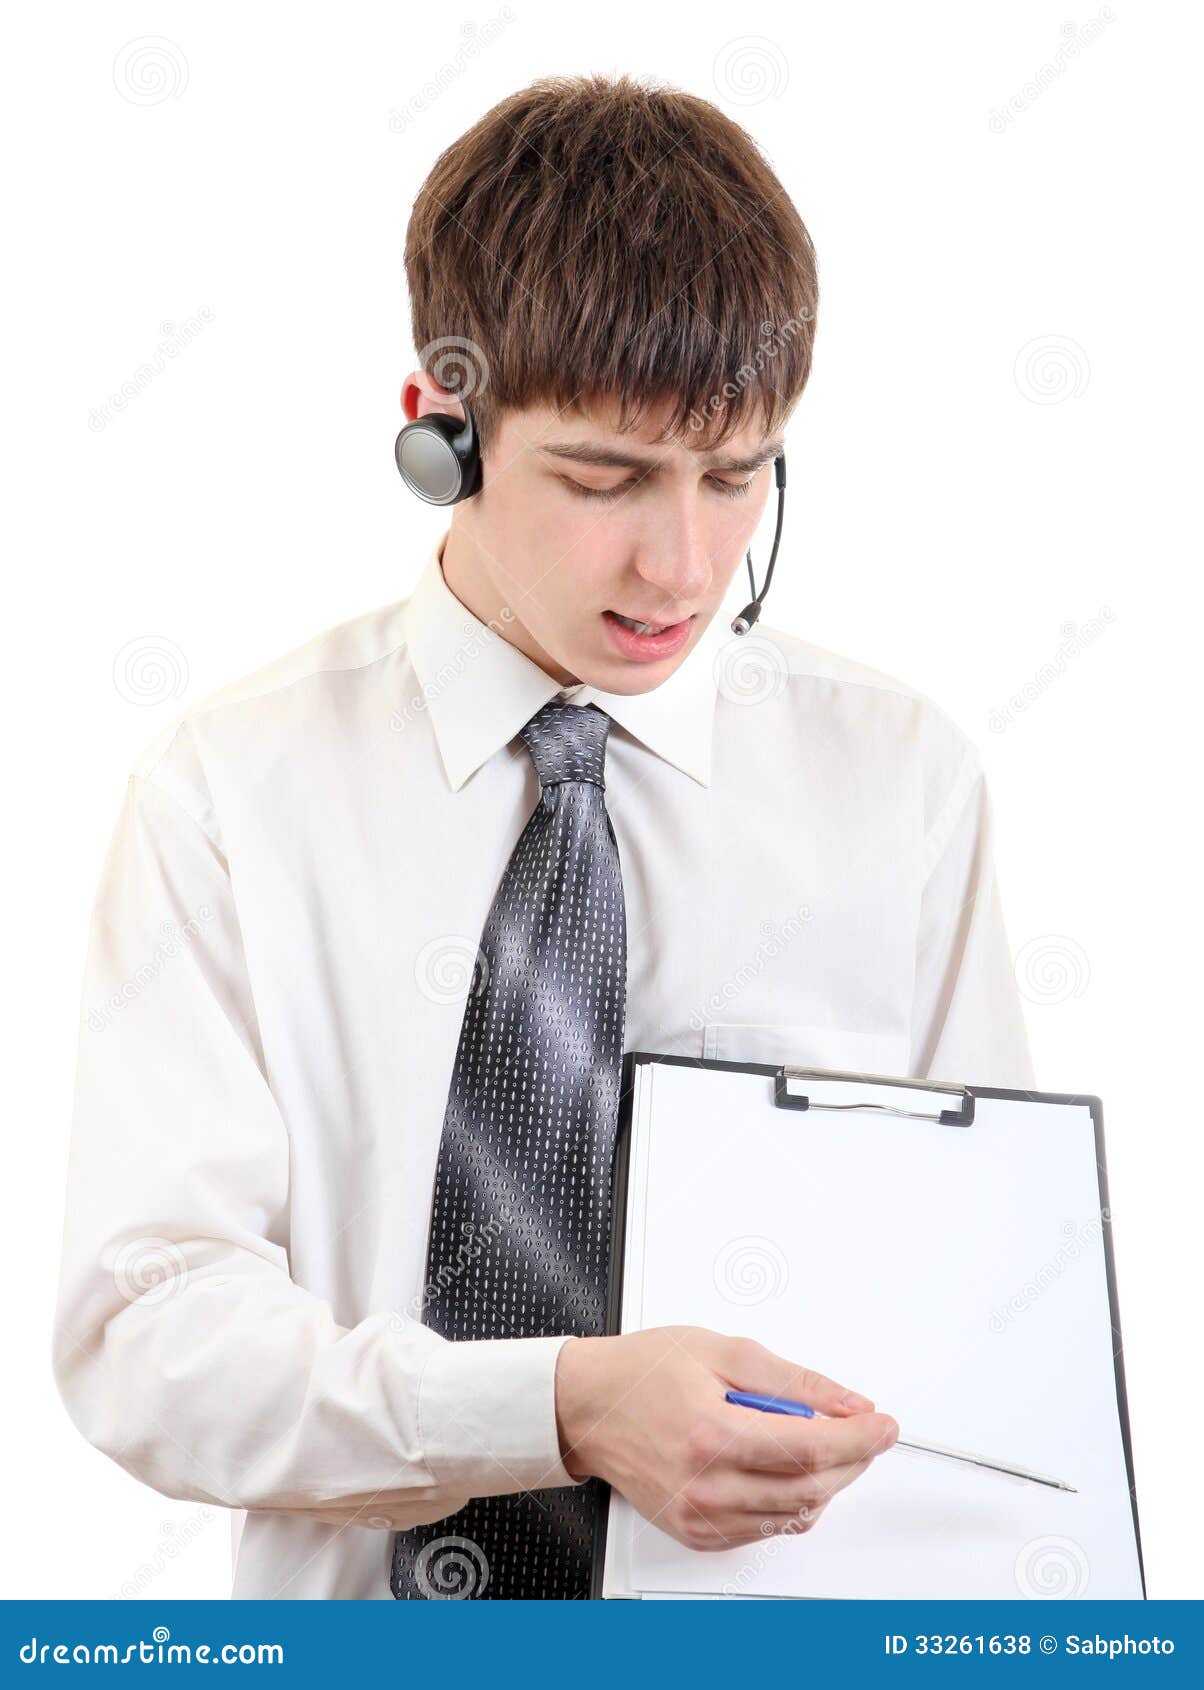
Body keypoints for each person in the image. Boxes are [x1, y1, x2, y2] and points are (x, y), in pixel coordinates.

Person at [52, 72, 1035, 1601]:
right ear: (443, 430)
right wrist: (559, 1409)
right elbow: (146, 1333)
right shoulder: (227, 793)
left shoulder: (899, 784)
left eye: (737, 473)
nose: (684, 560)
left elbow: (995, 1313)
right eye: (605, 477)